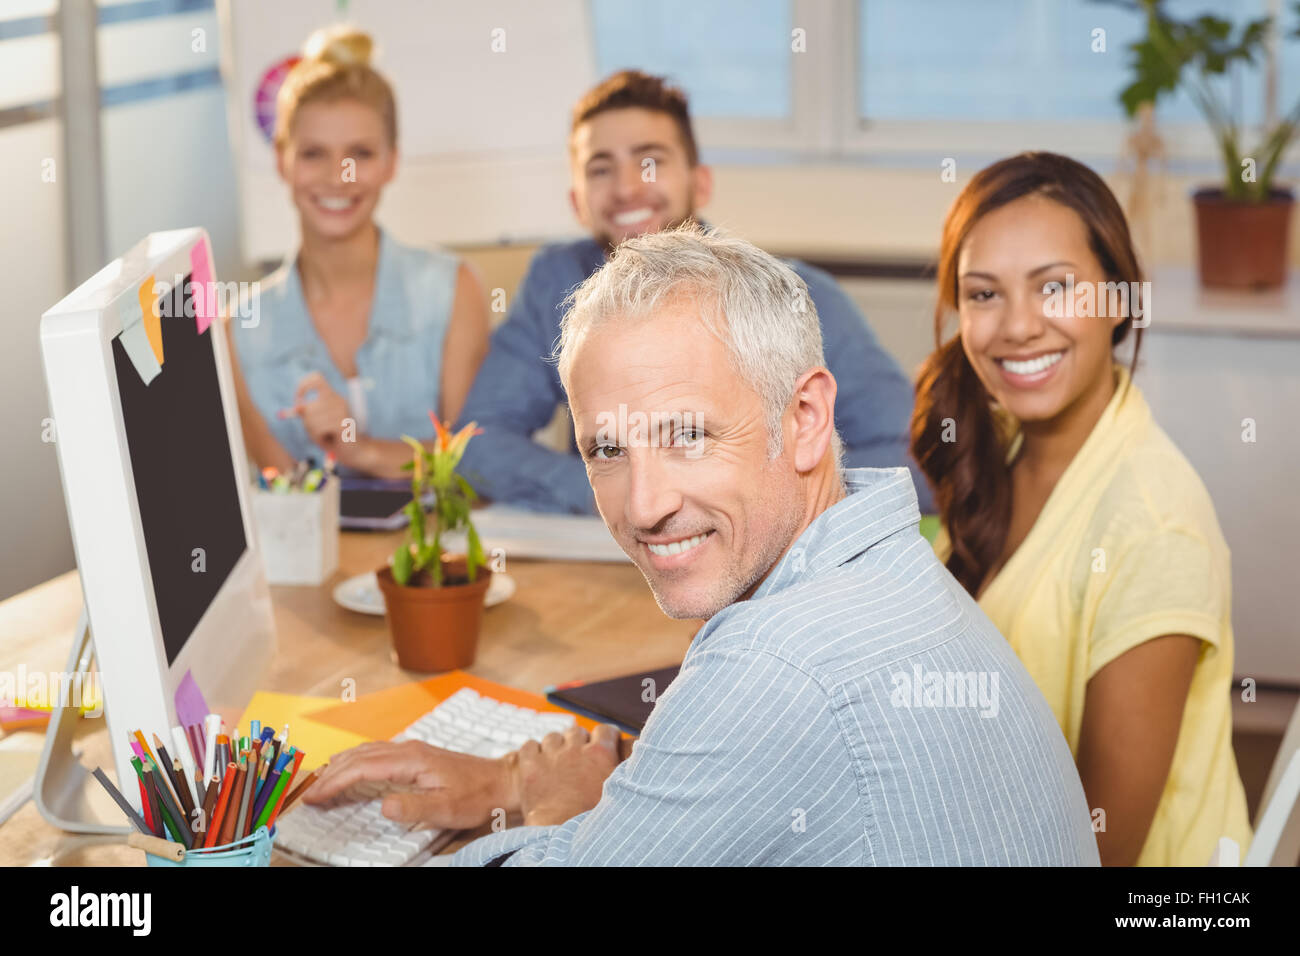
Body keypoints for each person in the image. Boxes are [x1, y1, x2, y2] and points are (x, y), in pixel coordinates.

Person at [304, 224, 1098, 866]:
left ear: (806, 419)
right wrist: (508, 778)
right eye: (605, 450)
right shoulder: (881, 565)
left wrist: (550, 809)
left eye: (687, 435)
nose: (645, 506)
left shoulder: (779, 663)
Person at [910, 152, 1252, 866]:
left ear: (1120, 299)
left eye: (1055, 288)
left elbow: (1098, 851)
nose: (1018, 327)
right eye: (984, 294)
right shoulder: (998, 445)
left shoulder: (1155, 530)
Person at [453, 70, 929, 514]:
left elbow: (913, 462)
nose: (625, 188)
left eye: (649, 162)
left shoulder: (801, 296)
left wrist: (748, 501)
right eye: (600, 169)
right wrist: (618, 495)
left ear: (699, 183)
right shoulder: (554, 279)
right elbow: (476, 441)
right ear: (577, 203)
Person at [228, 26, 490, 477]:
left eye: (361, 154)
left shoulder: (452, 290)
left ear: (391, 161)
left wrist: (361, 450)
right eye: (313, 154)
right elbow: (289, 501)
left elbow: (476, 465)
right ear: (281, 161)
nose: (338, 176)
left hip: (436, 549)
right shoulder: (238, 332)